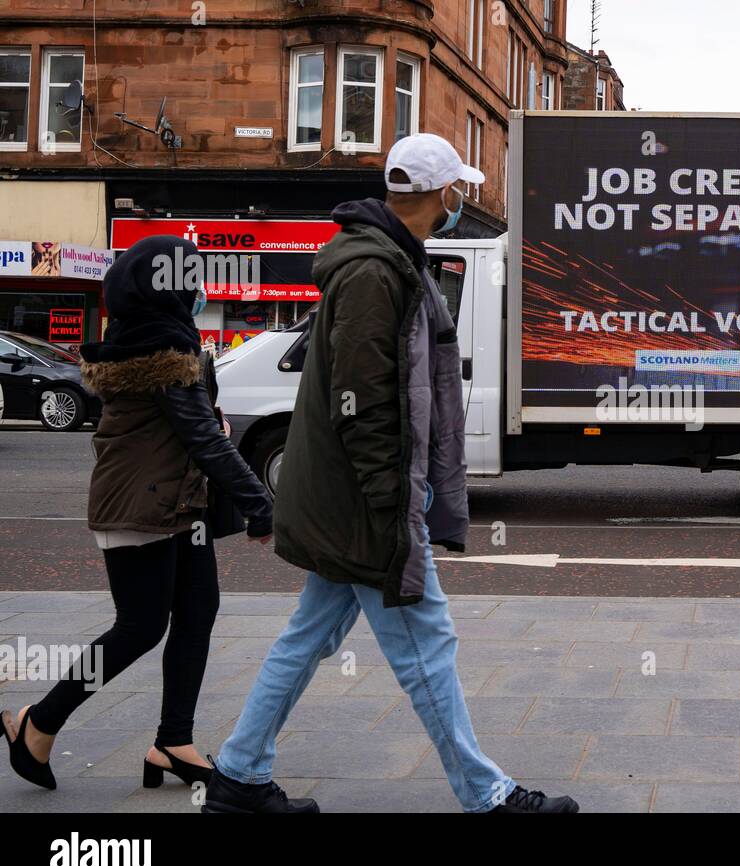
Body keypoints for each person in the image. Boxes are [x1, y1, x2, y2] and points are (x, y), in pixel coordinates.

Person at [204, 134, 579, 814]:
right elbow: (363, 403)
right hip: (365, 504)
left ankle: (238, 774)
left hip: (353, 497)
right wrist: (391, 507)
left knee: (308, 636)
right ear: (439, 194)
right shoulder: (377, 272)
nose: (460, 199)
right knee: (426, 642)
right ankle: (487, 796)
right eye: (456, 188)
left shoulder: (385, 260)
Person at [2, 235, 275, 792]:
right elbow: (203, 436)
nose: (197, 289)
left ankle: (172, 742)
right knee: (141, 627)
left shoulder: (155, 337)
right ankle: (40, 721)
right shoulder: (159, 347)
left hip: (179, 503)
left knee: (197, 612)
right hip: (140, 506)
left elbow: (191, 427)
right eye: (189, 279)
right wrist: (259, 503)